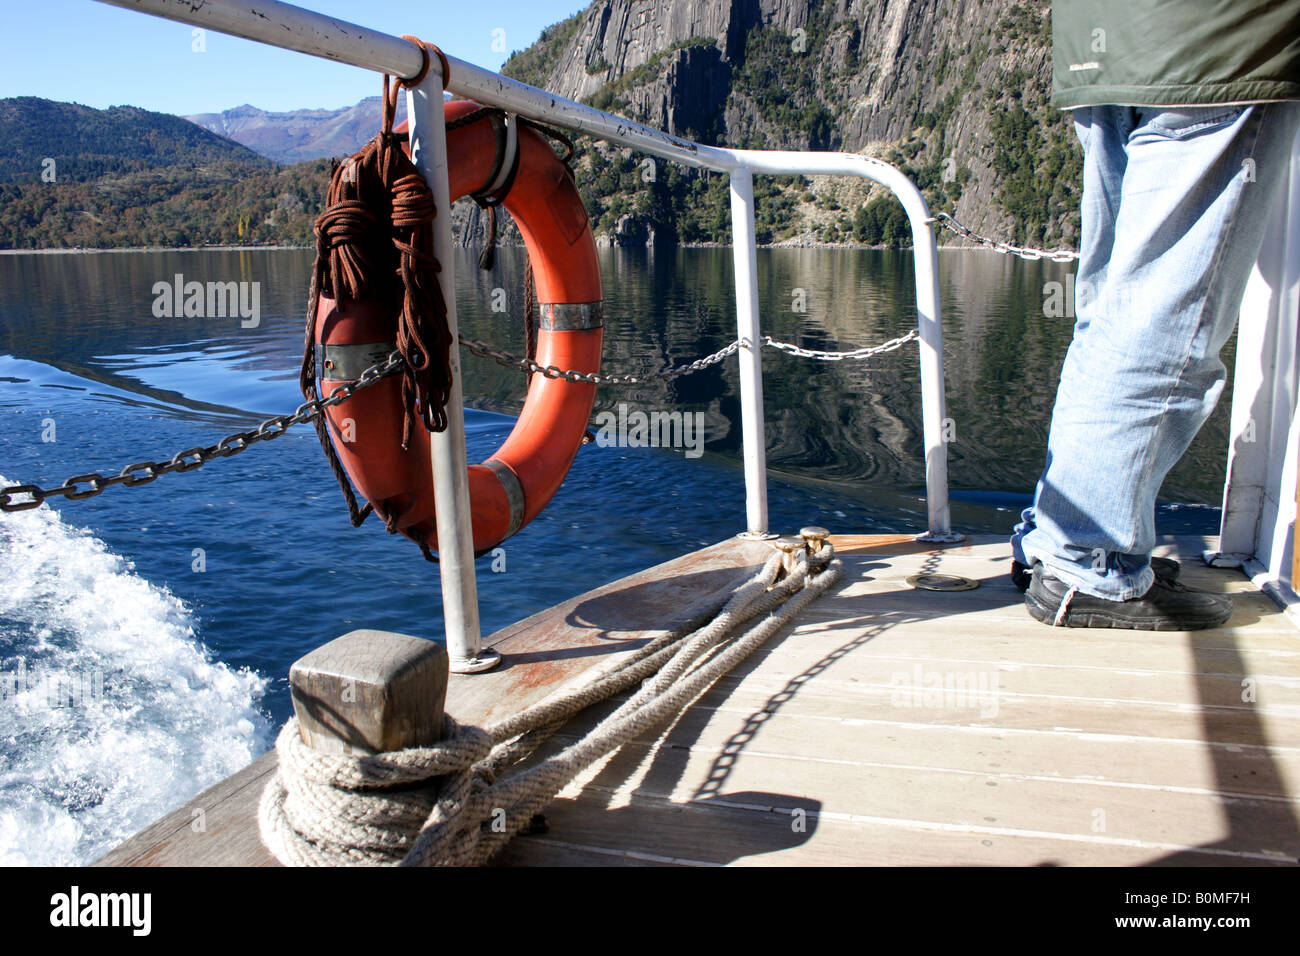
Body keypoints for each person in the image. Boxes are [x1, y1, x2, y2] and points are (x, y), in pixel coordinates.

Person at [1011, 1, 1300, 629]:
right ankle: (1090, 563)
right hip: (1220, 47)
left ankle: (1059, 543)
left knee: (1113, 312)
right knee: (1167, 324)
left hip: (1108, 45)